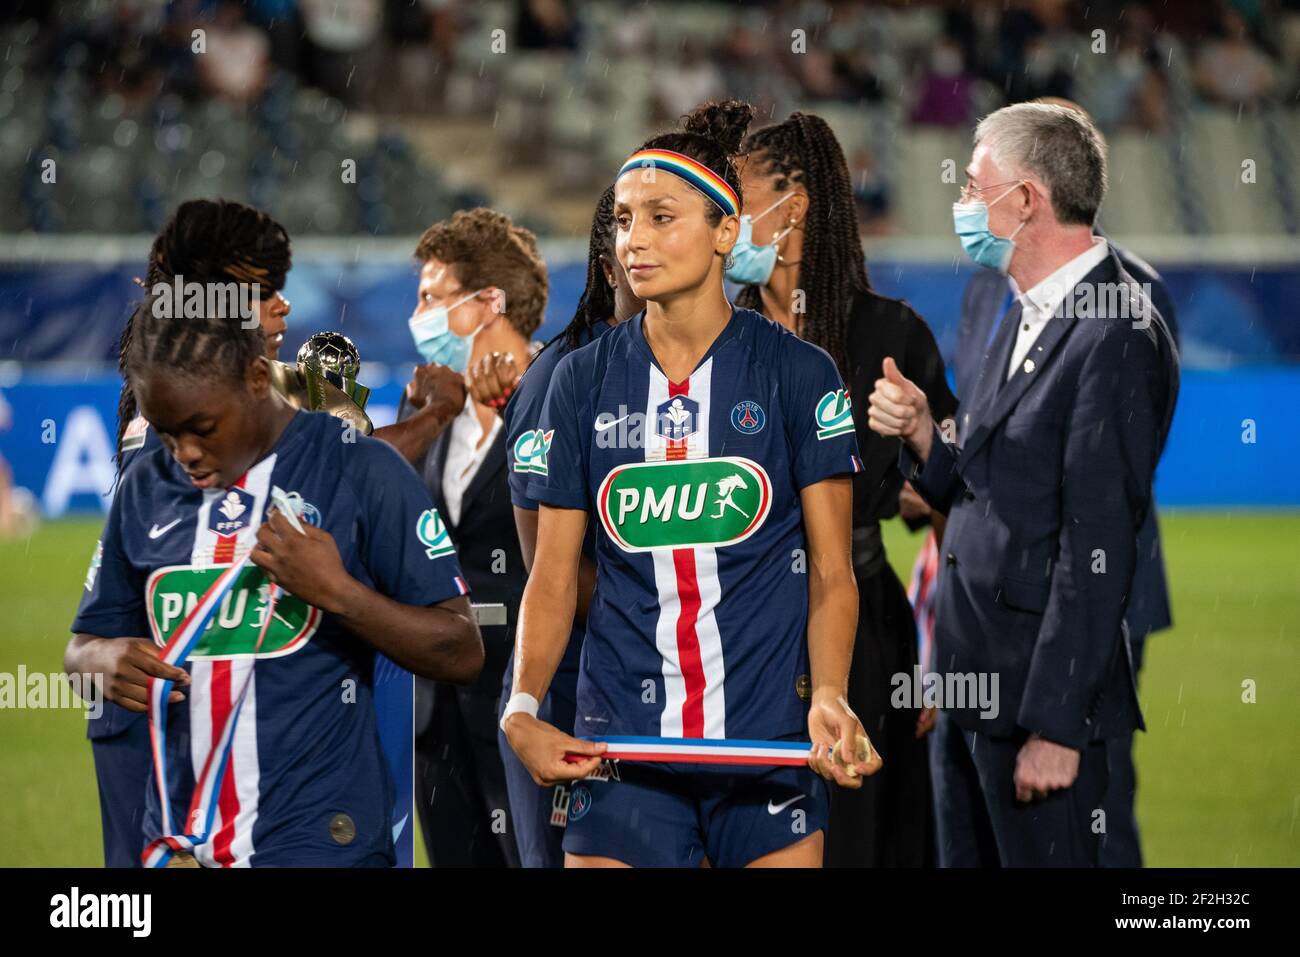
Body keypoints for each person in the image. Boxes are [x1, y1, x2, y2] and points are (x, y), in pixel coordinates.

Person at [502, 100, 880, 869]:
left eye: (661, 217)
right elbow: (551, 575)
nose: (633, 239)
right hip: (621, 752)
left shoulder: (799, 374)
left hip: (766, 747)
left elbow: (834, 572)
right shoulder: (580, 381)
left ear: (724, 234)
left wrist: (831, 695)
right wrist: (523, 704)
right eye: (623, 220)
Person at [65, 296, 483, 867]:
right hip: (180, 842)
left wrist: (340, 594)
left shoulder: (359, 468)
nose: (185, 452)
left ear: (259, 380)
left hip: (320, 839)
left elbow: (461, 649)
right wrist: (99, 660)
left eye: (202, 428)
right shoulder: (145, 486)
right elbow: (82, 647)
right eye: (166, 432)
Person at [867, 102, 1178, 867]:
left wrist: (1059, 728)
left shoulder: (1117, 330)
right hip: (972, 678)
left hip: (1033, 704)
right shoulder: (1020, 307)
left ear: (1027, 199)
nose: (963, 203)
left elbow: (1097, 544)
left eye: (975, 186)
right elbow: (990, 491)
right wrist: (919, 435)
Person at [730, 110, 956, 867]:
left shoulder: (891, 334)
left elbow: (954, 497)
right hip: (734, 636)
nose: (725, 223)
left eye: (738, 199)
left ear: (793, 204)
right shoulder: (714, 339)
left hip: (864, 630)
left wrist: (943, 657)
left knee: (863, 842)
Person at [483, 186, 645, 867]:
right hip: (575, 683)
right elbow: (543, 560)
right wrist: (659, 630)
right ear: (609, 265)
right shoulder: (561, 376)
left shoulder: (707, 371)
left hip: (672, 690)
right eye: (637, 228)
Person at [400, 208, 549, 867]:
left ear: (489, 301)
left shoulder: (556, 393)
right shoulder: (426, 403)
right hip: (437, 704)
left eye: (432, 296)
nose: (419, 313)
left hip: (529, 691)